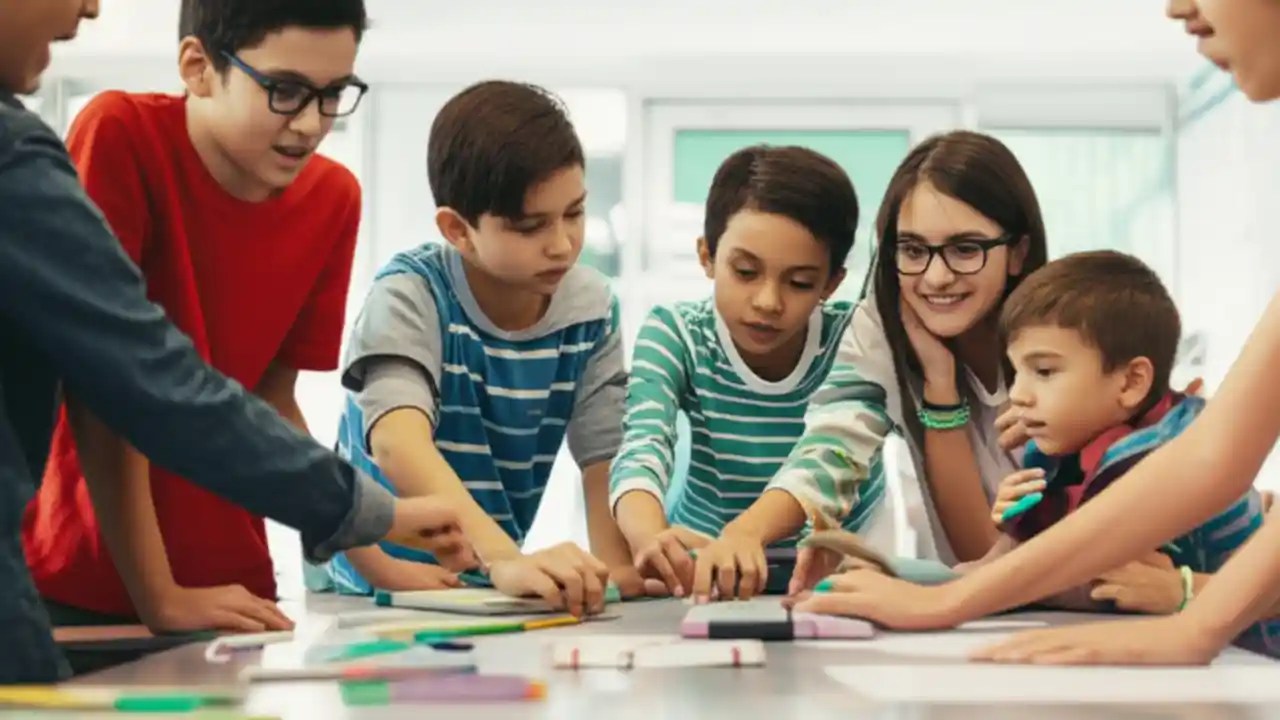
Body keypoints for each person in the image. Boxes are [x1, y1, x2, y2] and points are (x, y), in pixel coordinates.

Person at [795, 0, 1280, 666]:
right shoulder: (889, 338)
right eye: (912, 250)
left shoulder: (1094, 349)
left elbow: (1203, 466)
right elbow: (1214, 456)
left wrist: (1192, 605)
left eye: (964, 248)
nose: (1177, 8)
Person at [0, 0, 465, 683]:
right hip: (91, 584)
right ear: (198, 68)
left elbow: (272, 395)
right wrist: (157, 594)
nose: (310, 122)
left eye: (332, 95)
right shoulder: (114, 135)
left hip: (234, 586)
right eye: (284, 91)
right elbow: (124, 389)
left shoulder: (334, 196)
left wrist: (378, 559)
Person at [321, 80, 634, 617]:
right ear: (458, 230)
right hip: (380, 587)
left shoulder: (592, 306)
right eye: (530, 226)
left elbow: (603, 455)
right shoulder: (410, 294)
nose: (562, 244)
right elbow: (398, 444)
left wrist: (619, 567)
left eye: (575, 213)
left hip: (492, 584)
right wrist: (503, 556)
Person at [699, 130, 1049, 603]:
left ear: (1018, 253)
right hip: (973, 611)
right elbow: (832, 445)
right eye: (913, 250)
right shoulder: (882, 327)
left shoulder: (1065, 332)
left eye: (966, 249)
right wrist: (746, 532)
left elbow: (994, 560)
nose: (936, 276)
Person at [610, 145, 875, 599]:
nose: (768, 301)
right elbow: (643, 445)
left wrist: (748, 532)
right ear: (707, 256)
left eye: (799, 283)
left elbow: (827, 462)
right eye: (746, 271)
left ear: (832, 283)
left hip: (831, 573)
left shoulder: (856, 338)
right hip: (705, 566)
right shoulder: (676, 333)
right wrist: (653, 539)